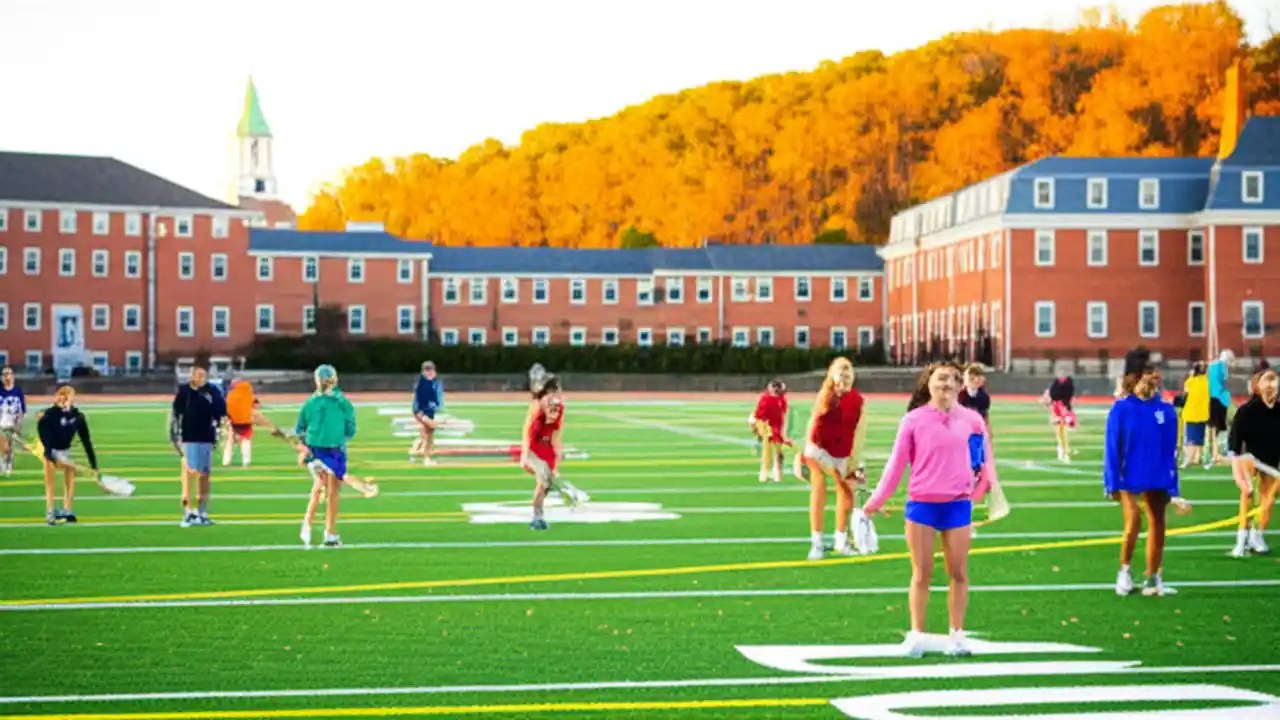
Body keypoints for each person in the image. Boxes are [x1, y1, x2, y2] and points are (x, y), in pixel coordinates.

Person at [864, 362, 993, 657]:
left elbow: (981, 463)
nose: (947, 383)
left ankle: (957, 635)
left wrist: (981, 489)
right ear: (929, 383)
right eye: (941, 378)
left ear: (961, 386)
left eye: (953, 379)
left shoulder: (973, 420)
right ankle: (916, 634)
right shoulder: (913, 420)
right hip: (922, 505)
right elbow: (896, 465)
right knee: (921, 573)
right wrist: (874, 503)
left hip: (958, 506)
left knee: (958, 573)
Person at [1104, 359, 1183, 597]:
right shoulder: (1121, 409)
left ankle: (1153, 577)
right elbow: (1112, 447)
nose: (1151, 379)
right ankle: (1124, 572)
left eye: (1155, 374)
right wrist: (1111, 482)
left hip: (1157, 476)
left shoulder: (1166, 411)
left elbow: (1170, 450)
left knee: (1158, 524)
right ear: (1135, 379)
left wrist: (1173, 486)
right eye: (1146, 374)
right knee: (1134, 521)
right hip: (1128, 477)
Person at [801, 357, 869, 561]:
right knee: (819, 487)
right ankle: (817, 542)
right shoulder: (825, 395)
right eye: (841, 369)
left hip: (843, 452)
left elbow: (860, 432)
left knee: (848, 493)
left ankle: (841, 540)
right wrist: (802, 454)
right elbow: (812, 424)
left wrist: (856, 462)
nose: (845, 373)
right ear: (832, 374)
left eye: (848, 369)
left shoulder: (858, 401)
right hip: (818, 450)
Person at [294, 365, 362, 547]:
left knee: (320, 488)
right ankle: (328, 533)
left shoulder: (311, 402)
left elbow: (300, 429)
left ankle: (309, 526)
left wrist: (304, 447)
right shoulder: (342, 402)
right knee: (331, 492)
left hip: (316, 451)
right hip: (331, 452)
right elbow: (351, 428)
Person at [1226, 367, 1280, 558]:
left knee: (1270, 498)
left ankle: (1258, 535)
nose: (1272, 385)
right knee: (1247, 494)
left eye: (1275, 380)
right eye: (1268, 380)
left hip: (1272, 461)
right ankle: (1241, 538)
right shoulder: (1247, 410)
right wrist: (1235, 458)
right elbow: (1235, 438)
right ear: (1257, 385)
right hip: (1249, 458)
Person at [521, 372, 585, 530]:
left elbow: (556, 434)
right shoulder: (537, 406)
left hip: (547, 449)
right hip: (534, 449)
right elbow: (527, 430)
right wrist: (525, 453)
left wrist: (557, 456)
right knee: (543, 478)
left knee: (544, 485)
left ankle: (539, 517)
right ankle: (537, 517)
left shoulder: (558, 408)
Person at [171, 361, 227, 527]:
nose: (201, 378)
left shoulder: (212, 391)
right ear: (192, 375)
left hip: (206, 438)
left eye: (204, 375)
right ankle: (188, 512)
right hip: (188, 438)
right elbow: (175, 414)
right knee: (189, 475)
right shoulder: (184, 391)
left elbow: (221, 413)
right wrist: (174, 437)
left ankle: (202, 512)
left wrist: (221, 433)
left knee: (204, 475)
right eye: (198, 374)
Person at [35, 386, 99, 525]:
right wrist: (49, 453)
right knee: (49, 477)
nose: (62, 399)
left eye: (66, 397)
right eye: (60, 396)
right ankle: (50, 511)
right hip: (50, 450)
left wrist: (94, 465)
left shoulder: (78, 417)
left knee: (70, 473)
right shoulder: (49, 415)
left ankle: (67, 509)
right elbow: (45, 434)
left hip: (65, 451)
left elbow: (86, 441)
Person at [750, 379, 790, 483]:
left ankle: (777, 474)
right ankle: (765, 474)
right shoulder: (766, 399)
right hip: (768, 427)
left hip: (777, 428)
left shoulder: (782, 400)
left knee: (778, 453)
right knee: (767, 453)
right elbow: (759, 415)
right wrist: (758, 428)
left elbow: (783, 414)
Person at [221, 378, 261, 467]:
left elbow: (227, 409)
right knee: (245, 440)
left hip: (233, 422)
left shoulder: (231, 395)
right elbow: (257, 405)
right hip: (245, 422)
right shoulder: (248, 395)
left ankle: (226, 461)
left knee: (230, 441)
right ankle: (246, 461)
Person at [410, 361, 442, 465]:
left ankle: (416, 449)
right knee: (428, 433)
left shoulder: (434, 383)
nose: (429, 373)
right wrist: (423, 417)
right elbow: (419, 404)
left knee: (429, 432)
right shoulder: (423, 384)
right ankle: (426, 458)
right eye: (427, 370)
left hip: (429, 412)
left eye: (431, 370)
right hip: (421, 412)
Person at [1206, 350, 1234, 467]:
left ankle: (1212, 453)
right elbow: (1225, 382)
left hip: (1211, 399)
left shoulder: (1212, 366)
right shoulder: (1223, 367)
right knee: (1221, 427)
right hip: (1221, 399)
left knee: (1212, 427)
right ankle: (1219, 454)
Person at [1180, 362, 1210, 469]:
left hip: (1191, 413)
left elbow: (1185, 395)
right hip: (1203, 414)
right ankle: (1198, 458)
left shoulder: (1190, 382)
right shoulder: (1207, 382)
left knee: (1191, 439)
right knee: (1200, 439)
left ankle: (1188, 460)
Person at [0, 366, 27, 476]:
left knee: (9, 448)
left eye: (9, 373)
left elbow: (22, 410)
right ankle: (1, 464)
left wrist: (18, 425)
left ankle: (9, 463)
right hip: (1, 423)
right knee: (2, 446)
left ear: (13, 376)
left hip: (12, 423)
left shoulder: (18, 392)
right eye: (4, 374)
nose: (6, 376)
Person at [1044, 372, 1076, 462]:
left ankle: (1063, 449)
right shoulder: (1058, 391)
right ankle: (1062, 449)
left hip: (1061, 406)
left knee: (1062, 429)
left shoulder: (1059, 388)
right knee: (1060, 429)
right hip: (1059, 406)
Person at [957, 364, 991, 429]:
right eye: (971, 378)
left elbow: (984, 415)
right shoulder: (959, 395)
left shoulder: (984, 397)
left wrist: (988, 431)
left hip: (976, 429)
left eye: (977, 377)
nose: (974, 380)